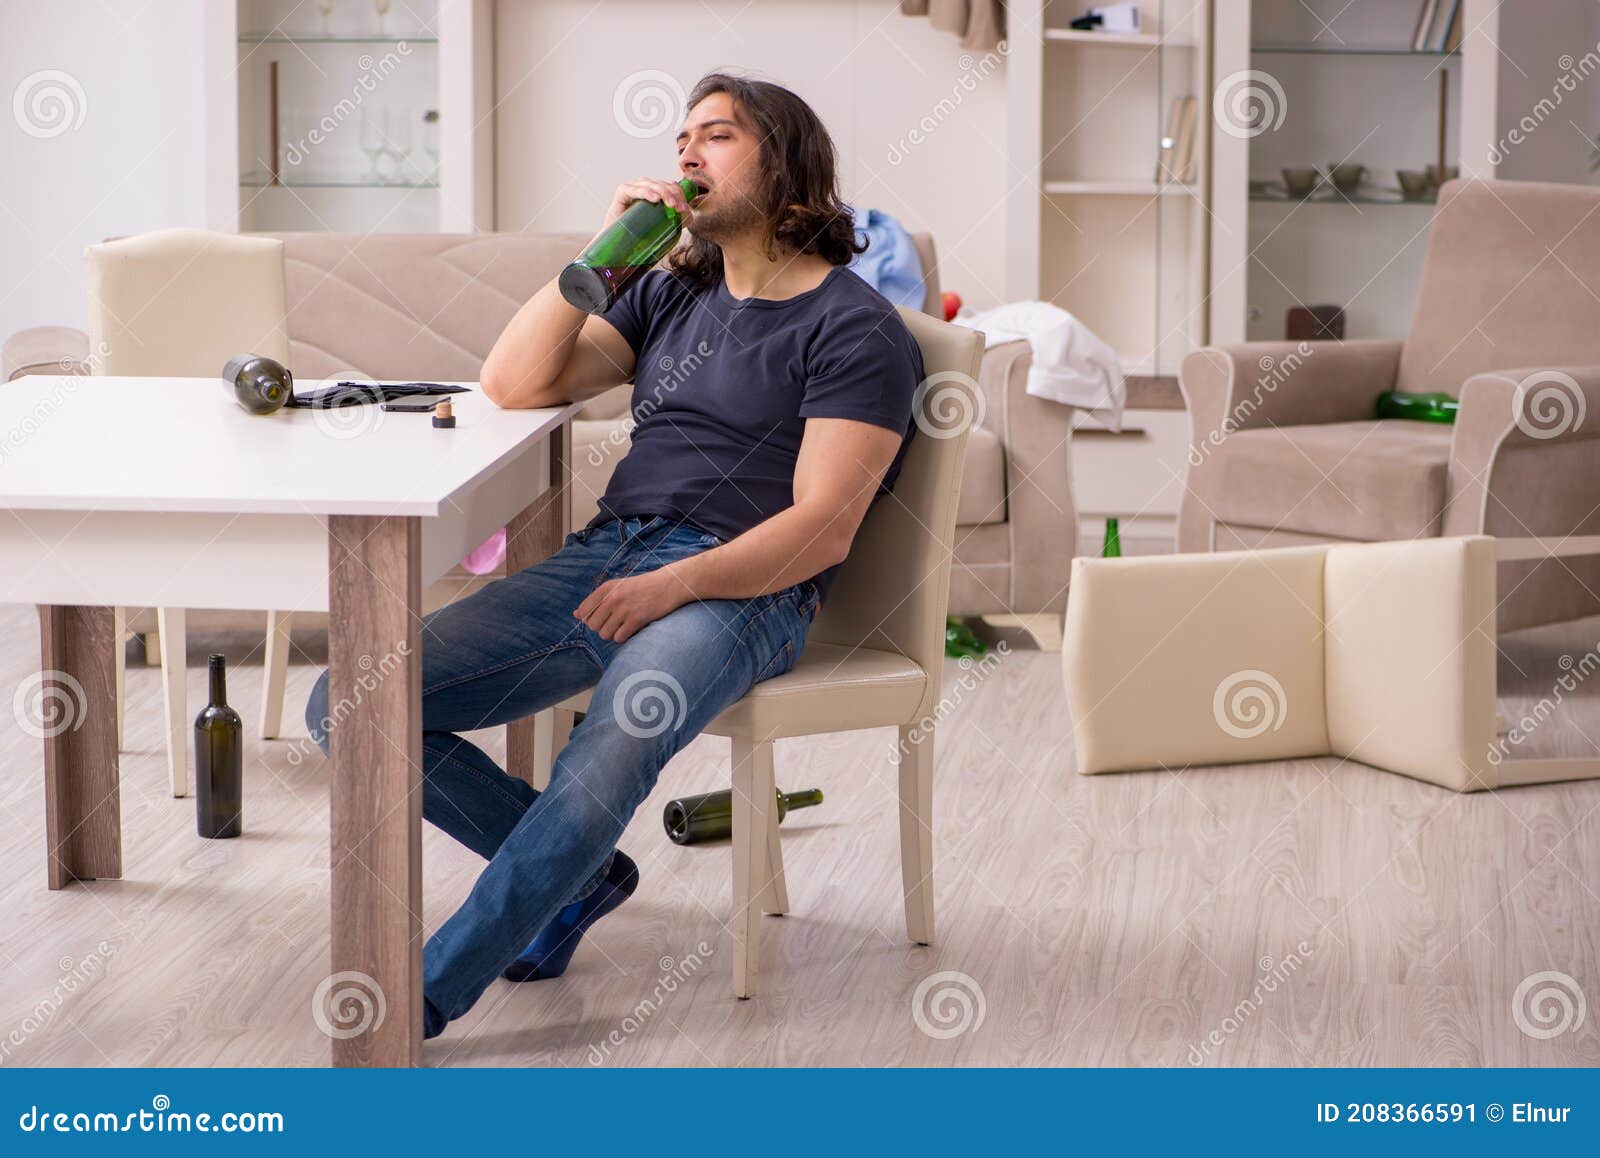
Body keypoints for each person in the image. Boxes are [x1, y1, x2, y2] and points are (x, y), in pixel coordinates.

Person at [305, 71, 926, 1041]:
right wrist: (598, 261)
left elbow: (823, 527)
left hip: (742, 587)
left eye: (717, 137)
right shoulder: (672, 295)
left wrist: (675, 584)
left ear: (789, 167)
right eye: (682, 138)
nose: (686, 153)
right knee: (348, 705)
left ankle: (418, 997)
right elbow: (510, 386)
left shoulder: (854, 328)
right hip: (609, 557)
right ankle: (578, 875)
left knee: (611, 740)